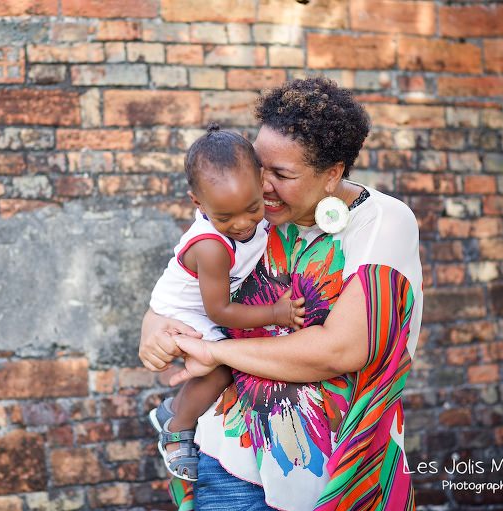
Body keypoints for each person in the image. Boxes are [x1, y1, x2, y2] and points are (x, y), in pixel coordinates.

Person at [140, 76, 423, 511]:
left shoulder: (382, 222)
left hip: (335, 469)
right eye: (259, 167)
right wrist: (155, 328)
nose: (263, 185)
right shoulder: (250, 218)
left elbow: (341, 350)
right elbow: (181, 286)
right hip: (229, 462)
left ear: (332, 173)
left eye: (282, 174)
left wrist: (216, 354)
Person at [147, 124, 306, 482]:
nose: (242, 224)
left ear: (261, 183)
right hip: (185, 310)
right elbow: (220, 310)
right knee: (219, 367)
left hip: (210, 305)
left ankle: (172, 409)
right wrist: (276, 312)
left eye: (252, 208)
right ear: (198, 204)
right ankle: (176, 427)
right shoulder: (211, 247)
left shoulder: (259, 216)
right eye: (225, 217)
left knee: (224, 360)